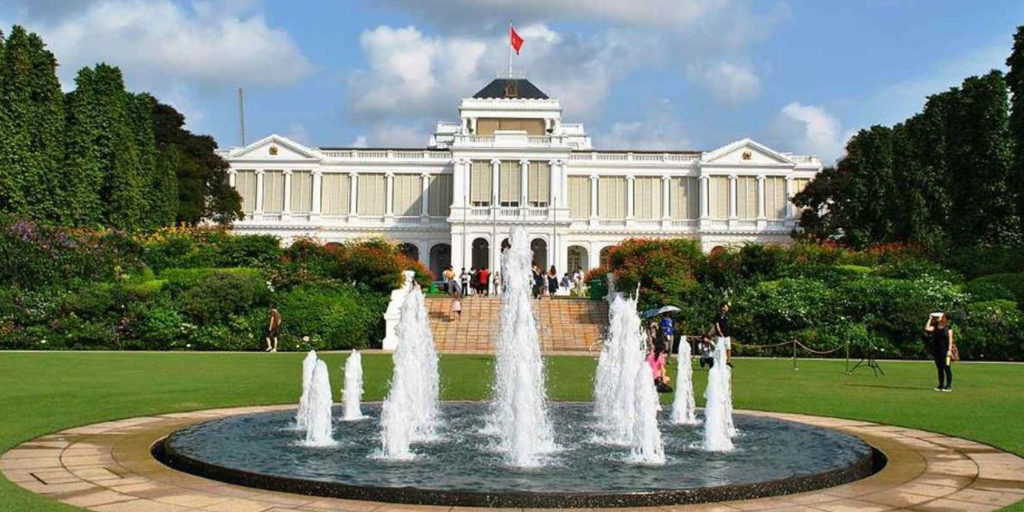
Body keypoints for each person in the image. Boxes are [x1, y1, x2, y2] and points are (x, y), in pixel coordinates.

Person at [924, 312, 955, 392]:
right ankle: (940, 385)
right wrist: (930, 319)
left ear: (946, 319)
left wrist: (949, 350)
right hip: (937, 350)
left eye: (943, 317)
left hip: (945, 351)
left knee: (947, 368)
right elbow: (927, 328)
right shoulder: (936, 326)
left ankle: (948, 386)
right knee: (939, 368)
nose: (941, 318)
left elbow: (950, 340)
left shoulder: (948, 328)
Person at [715, 302, 732, 366]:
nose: (727, 308)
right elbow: (717, 324)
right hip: (720, 335)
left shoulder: (727, 315)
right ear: (722, 308)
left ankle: (728, 361)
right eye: (725, 307)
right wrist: (719, 331)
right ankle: (719, 360)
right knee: (719, 347)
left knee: (728, 347)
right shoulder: (718, 315)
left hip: (727, 334)